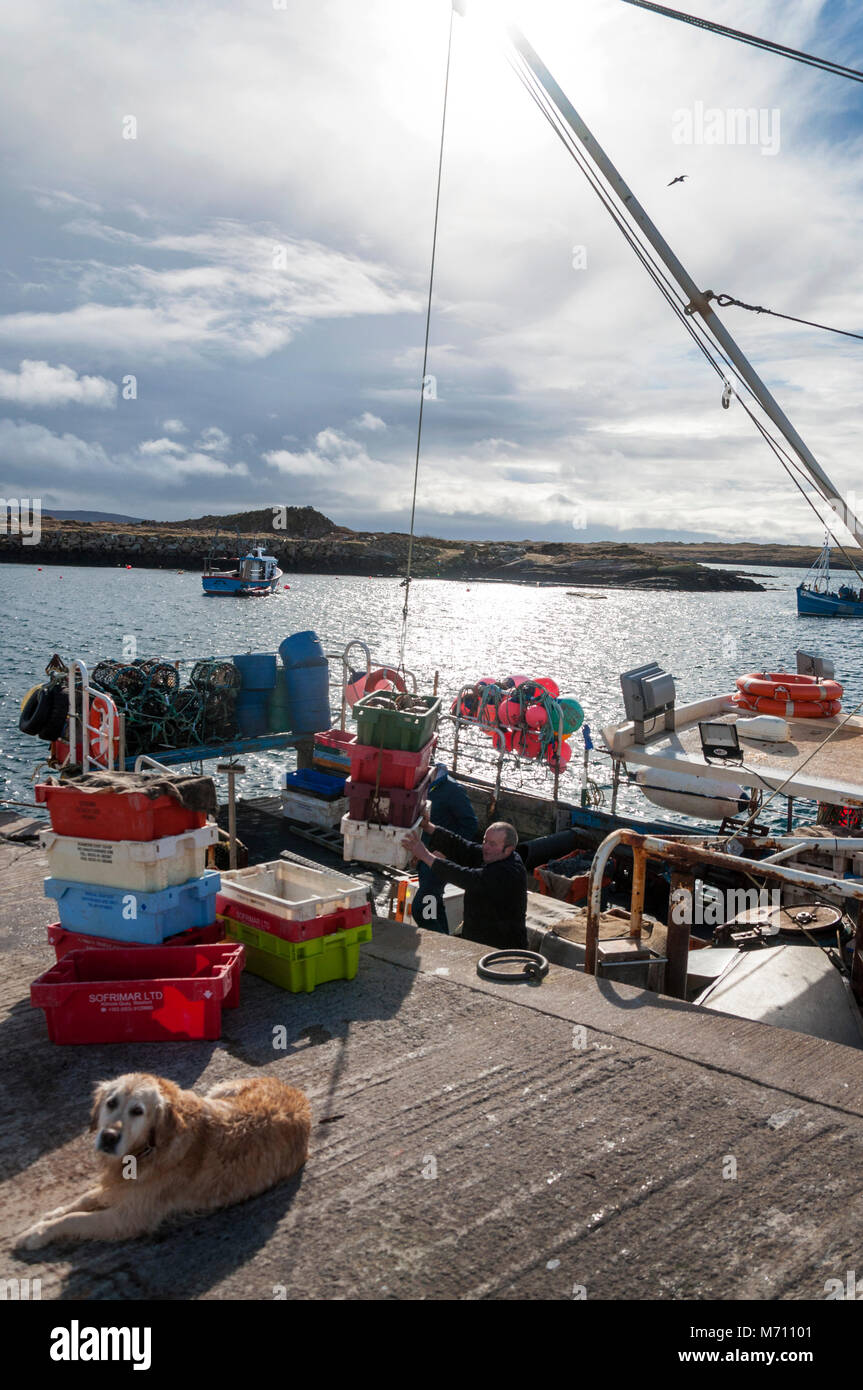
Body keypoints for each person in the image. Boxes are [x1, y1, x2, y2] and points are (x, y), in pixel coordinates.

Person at [403, 814, 528, 951]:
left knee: (423, 910)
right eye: (485, 841)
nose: (486, 847)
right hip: (478, 941)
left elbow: (466, 878)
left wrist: (426, 856)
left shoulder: (508, 872)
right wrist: (428, 827)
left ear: (508, 849)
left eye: (492, 844)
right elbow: (463, 847)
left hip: (502, 948)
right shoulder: (496, 855)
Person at [410, 764, 479, 932]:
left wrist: (446, 852)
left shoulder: (453, 789)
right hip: (424, 858)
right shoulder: (420, 785)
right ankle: (443, 936)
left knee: (422, 908)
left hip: (440, 860)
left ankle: (436, 940)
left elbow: (470, 825)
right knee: (434, 903)